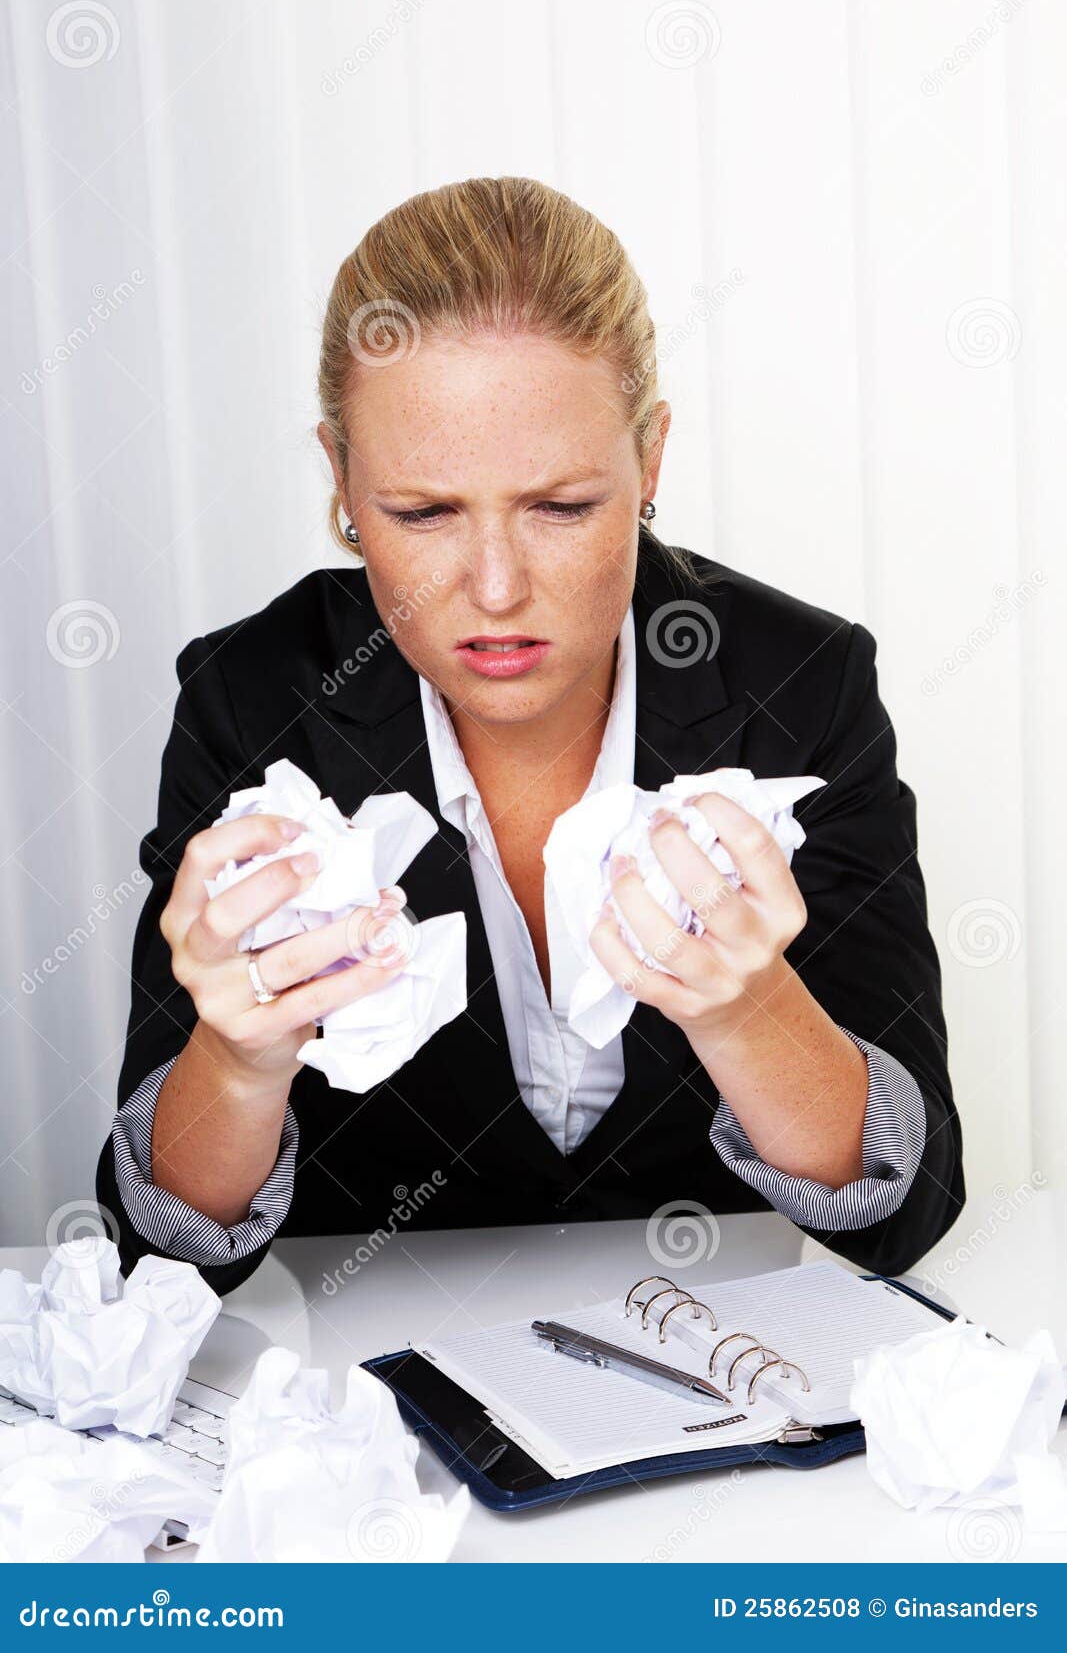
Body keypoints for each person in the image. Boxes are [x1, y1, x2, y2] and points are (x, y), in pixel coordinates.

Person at [96, 176, 963, 1297]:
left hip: (726, 1367)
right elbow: (162, 1251)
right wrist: (238, 1055)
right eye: (422, 514)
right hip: (371, 1399)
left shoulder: (798, 683)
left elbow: (902, 1210)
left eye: (559, 507)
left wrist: (747, 1008)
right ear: (342, 480)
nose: (495, 588)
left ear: (648, 460)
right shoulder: (253, 699)